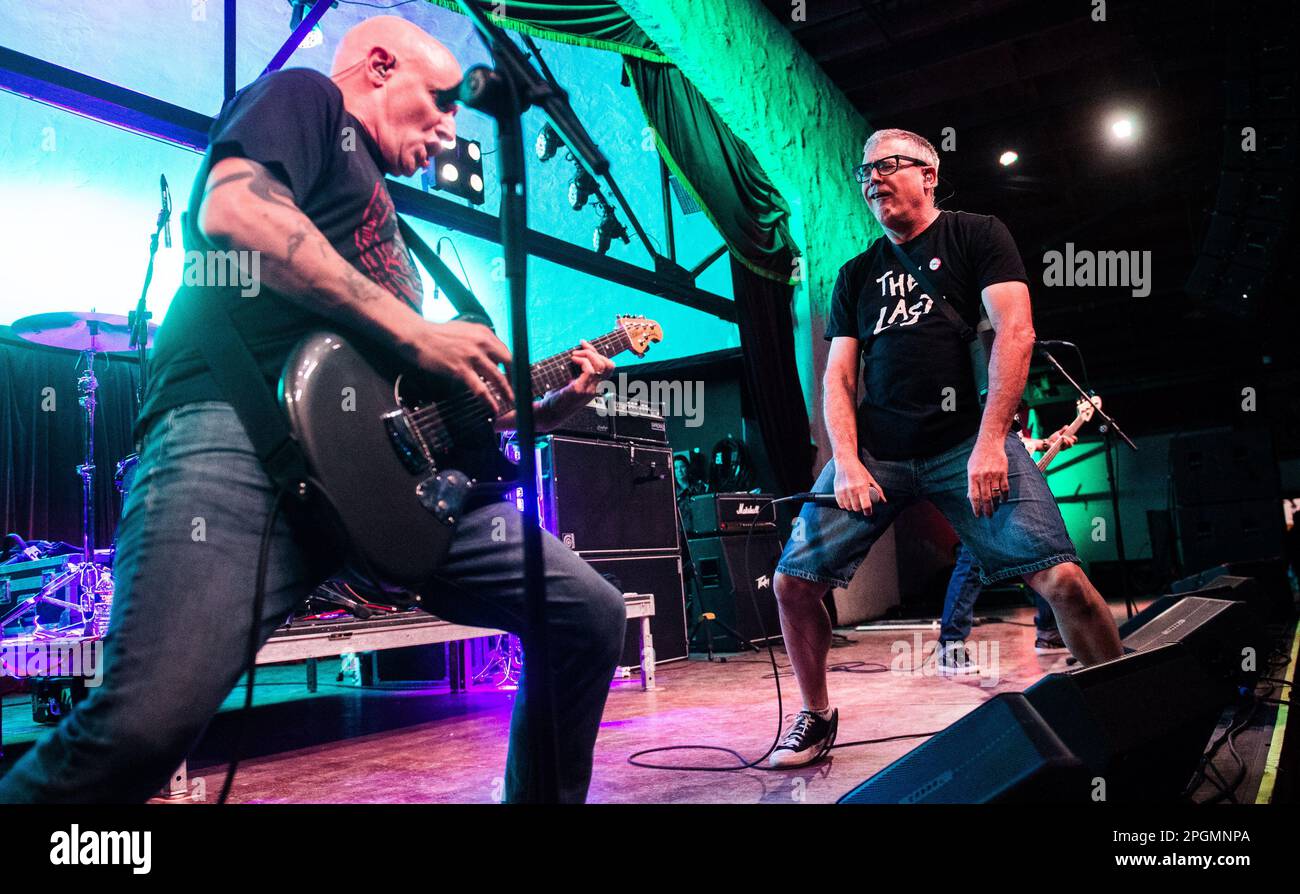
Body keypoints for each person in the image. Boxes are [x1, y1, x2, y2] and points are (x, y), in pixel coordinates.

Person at [0, 16, 625, 804]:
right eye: (438, 104)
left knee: (588, 618)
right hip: (242, 441)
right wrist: (415, 329)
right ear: (377, 65)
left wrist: (544, 409)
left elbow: (426, 408)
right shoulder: (306, 102)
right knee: (142, 729)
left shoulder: (390, 219)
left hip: (384, 493)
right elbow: (235, 212)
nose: (449, 130)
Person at [767, 128, 1122, 768]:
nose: (872, 179)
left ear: (929, 174)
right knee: (792, 582)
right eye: (864, 172)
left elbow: (1017, 331)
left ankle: (1129, 706)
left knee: (1064, 581)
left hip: (967, 443)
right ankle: (816, 718)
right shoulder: (856, 275)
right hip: (877, 452)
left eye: (888, 166)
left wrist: (990, 442)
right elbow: (839, 377)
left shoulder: (978, 235)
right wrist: (845, 461)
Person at [937, 411, 1078, 675]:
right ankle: (949, 645)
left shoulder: (1008, 410)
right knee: (971, 566)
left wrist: (1048, 443)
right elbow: (985, 436)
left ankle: (1048, 631)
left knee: (1044, 556)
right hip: (981, 482)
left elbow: (1011, 439)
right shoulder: (976, 387)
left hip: (1006, 484)